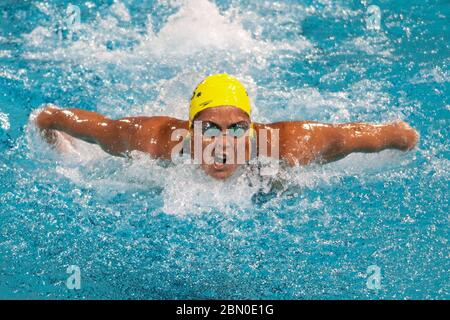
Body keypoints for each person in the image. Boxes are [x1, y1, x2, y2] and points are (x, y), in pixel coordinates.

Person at [35, 74, 419, 179]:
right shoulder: (153, 141)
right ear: (190, 130)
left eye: (236, 129)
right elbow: (59, 118)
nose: (222, 143)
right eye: (208, 129)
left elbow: (355, 136)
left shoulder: (288, 144)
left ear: (251, 129)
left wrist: (398, 136)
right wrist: (58, 143)